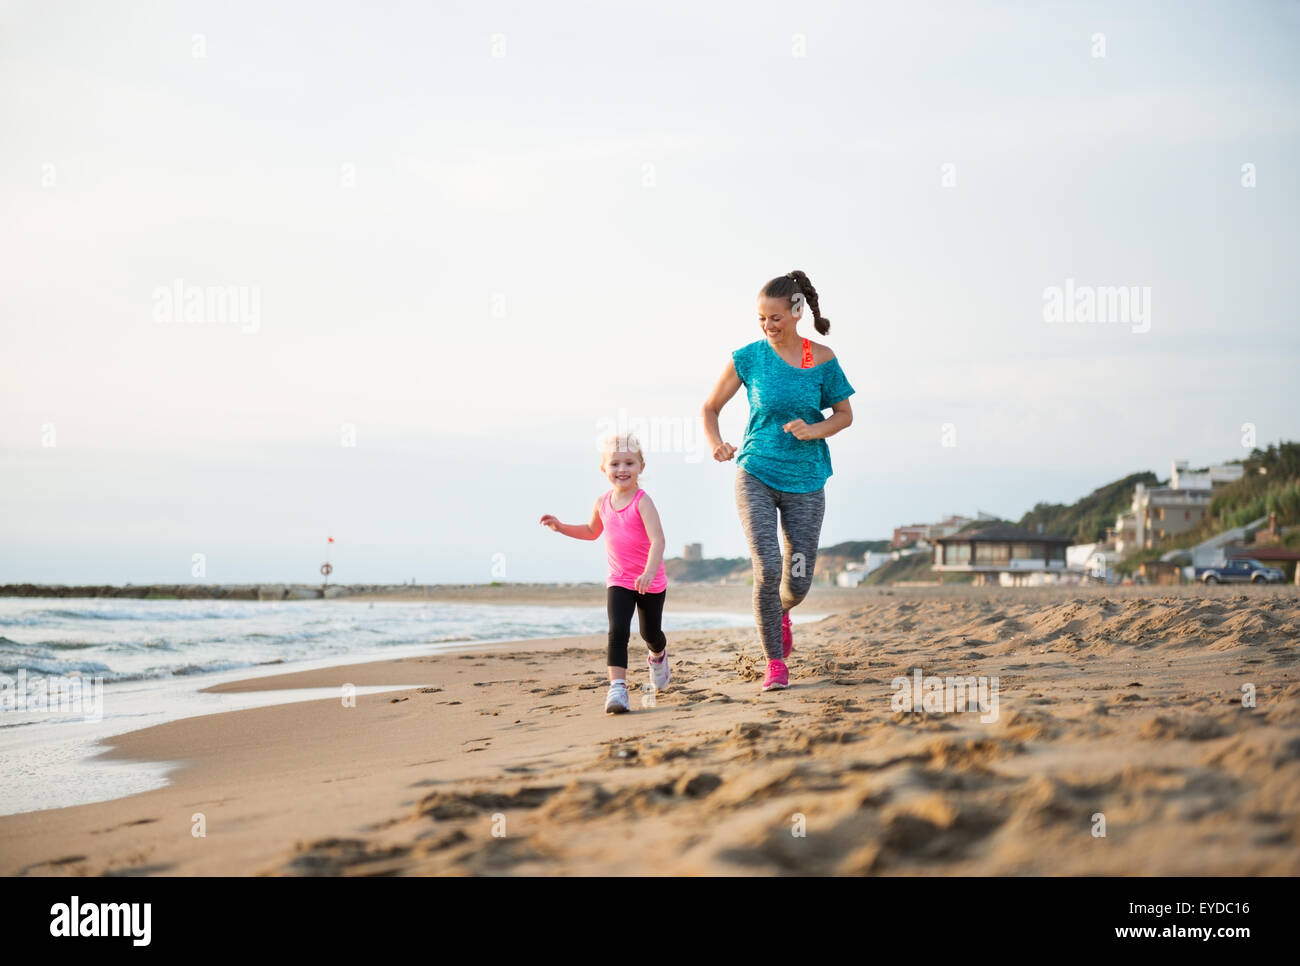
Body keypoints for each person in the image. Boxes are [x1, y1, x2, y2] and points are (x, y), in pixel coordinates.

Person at [701, 269, 855, 692]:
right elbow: (710, 408)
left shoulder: (819, 359)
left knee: (798, 580)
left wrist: (814, 429)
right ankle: (774, 663)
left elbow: (844, 414)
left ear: (797, 312)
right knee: (767, 568)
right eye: (761, 318)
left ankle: (782, 611)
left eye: (775, 318)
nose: (768, 326)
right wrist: (717, 443)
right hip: (756, 471)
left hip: (806, 478)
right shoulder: (749, 357)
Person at [539, 432, 669, 714]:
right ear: (604, 469)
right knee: (617, 631)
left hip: (650, 581)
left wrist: (648, 572)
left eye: (629, 463)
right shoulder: (602, 503)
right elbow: (591, 531)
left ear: (640, 468)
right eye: (615, 464)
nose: (622, 469)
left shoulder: (643, 502)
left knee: (651, 633)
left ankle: (658, 656)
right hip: (619, 580)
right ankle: (618, 690)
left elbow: (658, 540)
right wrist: (561, 527)